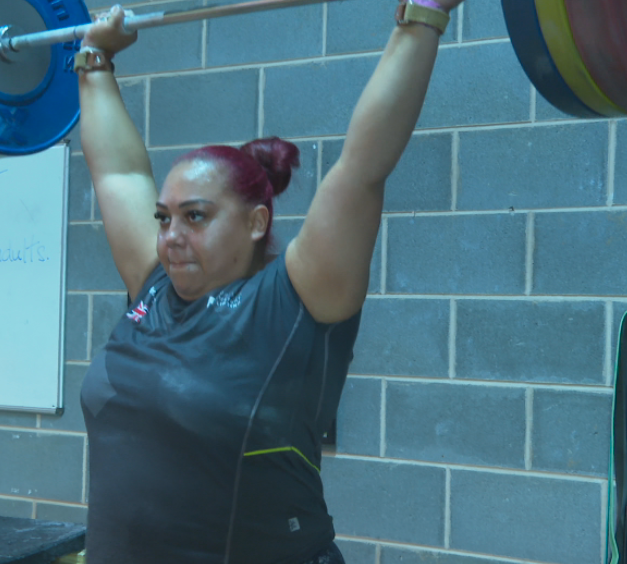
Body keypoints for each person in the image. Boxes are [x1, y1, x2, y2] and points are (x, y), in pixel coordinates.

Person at [75, 0, 464, 562]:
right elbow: (118, 172)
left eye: (196, 216)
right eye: (163, 217)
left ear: (257, 223)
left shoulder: (293, 303)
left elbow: (362, 167)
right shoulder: (154, 284)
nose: (171, 235)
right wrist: (94, 57)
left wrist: (424, 13)